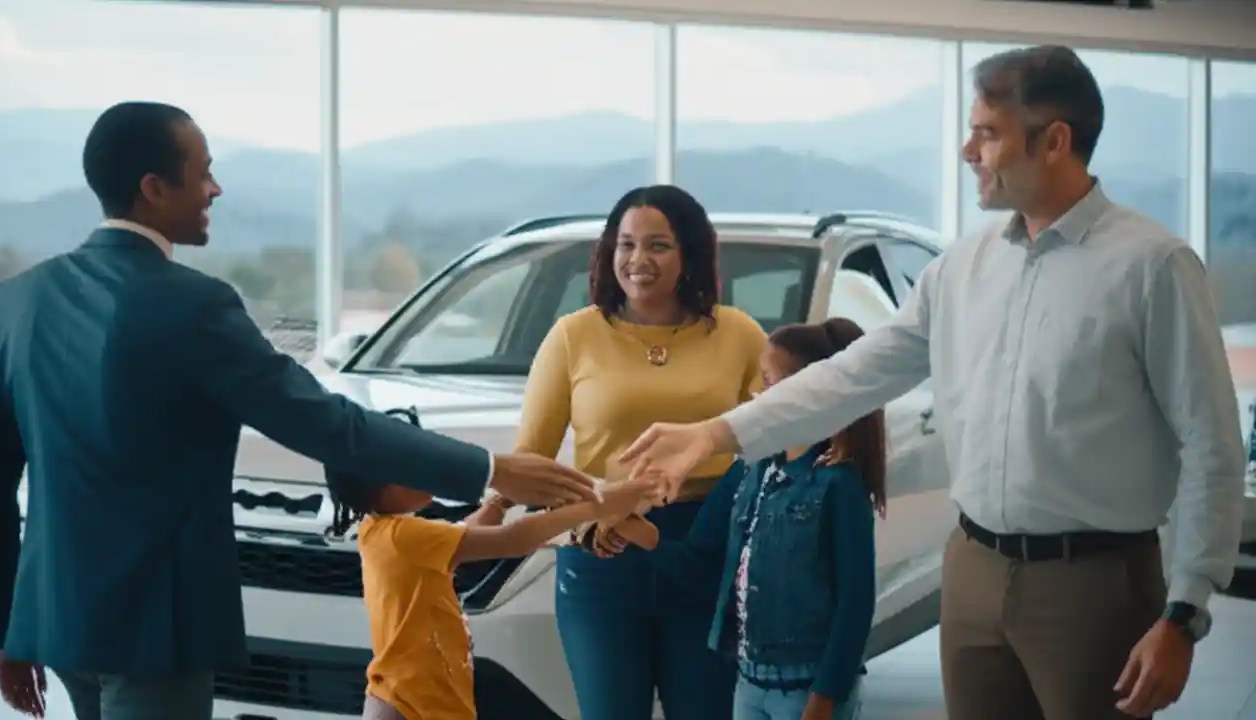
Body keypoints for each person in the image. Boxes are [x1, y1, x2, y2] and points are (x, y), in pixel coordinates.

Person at [621, 45, 1246, 720]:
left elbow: (1212, 447)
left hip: (1094, 584)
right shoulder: (964, 266)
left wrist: (1185, 614)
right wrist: (716, 433)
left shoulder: (1151, 267)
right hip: (974, 570)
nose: (967, 151)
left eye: (988, 133)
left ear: (1056, 141)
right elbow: (853, 376)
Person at [0, 101, 595, 720]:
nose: (215, 189)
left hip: (54, 614)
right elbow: (324, 422)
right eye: (204, 173)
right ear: (154, 188)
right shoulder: (192, 305)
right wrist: (488, 470)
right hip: (154, 626)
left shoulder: (15, 302)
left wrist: (5, 626)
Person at [514, 184, 769, 719]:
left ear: (689, 254)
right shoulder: (572, 336)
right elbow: (529, 463)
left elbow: (770, 450)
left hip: (707, 551)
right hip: (601, 556)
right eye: (626, 244)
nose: (637, 260)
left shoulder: (739, 334)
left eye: (658, 245)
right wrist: (581, 523)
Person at [647, 318, 883, 720]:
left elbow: (856, 602)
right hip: (749, 682)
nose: (758, 397)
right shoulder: (748, 469)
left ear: (808, 393)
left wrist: (825, 696)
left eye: (770, 384)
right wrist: (633, 532)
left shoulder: (838, 485)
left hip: (807, 689)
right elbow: (698, 558)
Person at [323, 456, 660, 720]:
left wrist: (501, 501)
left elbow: (466, 534)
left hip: (420, 697)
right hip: (412, 703)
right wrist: (596, 506)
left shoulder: (387, 532)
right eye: (408, 466)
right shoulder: (402, 536)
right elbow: (513, 540)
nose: (422, 468)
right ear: (377, 487)